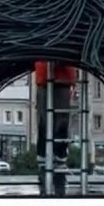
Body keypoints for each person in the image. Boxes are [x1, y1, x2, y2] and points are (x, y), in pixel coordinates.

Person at [34, 60, 77, 195]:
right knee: (45, 125)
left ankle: (58, 168)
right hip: (47, 79)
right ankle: (45, 168)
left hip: (61, 80)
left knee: (60, 125)